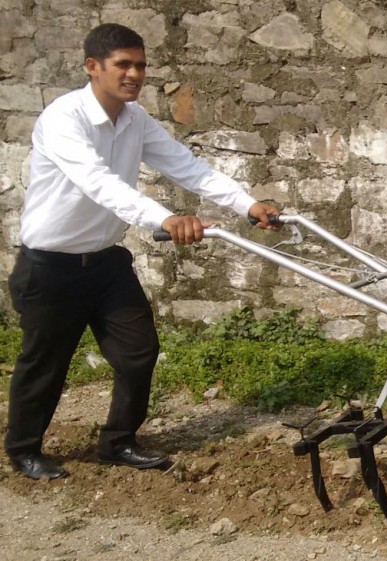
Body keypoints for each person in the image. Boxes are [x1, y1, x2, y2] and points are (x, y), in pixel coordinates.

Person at [4, 23, 280, 480]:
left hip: (106, 263)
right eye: (123, 65)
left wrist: (248, 204)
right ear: (93, 67)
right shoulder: (62, 119)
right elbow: (98, 182)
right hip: (49, 268)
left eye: (141, 65)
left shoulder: (136, 120)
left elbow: (185, 166)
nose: (134, 74)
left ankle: (118, 442)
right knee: (45, 363)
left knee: (138, 353)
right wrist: (166, 219)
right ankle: (24, 449)